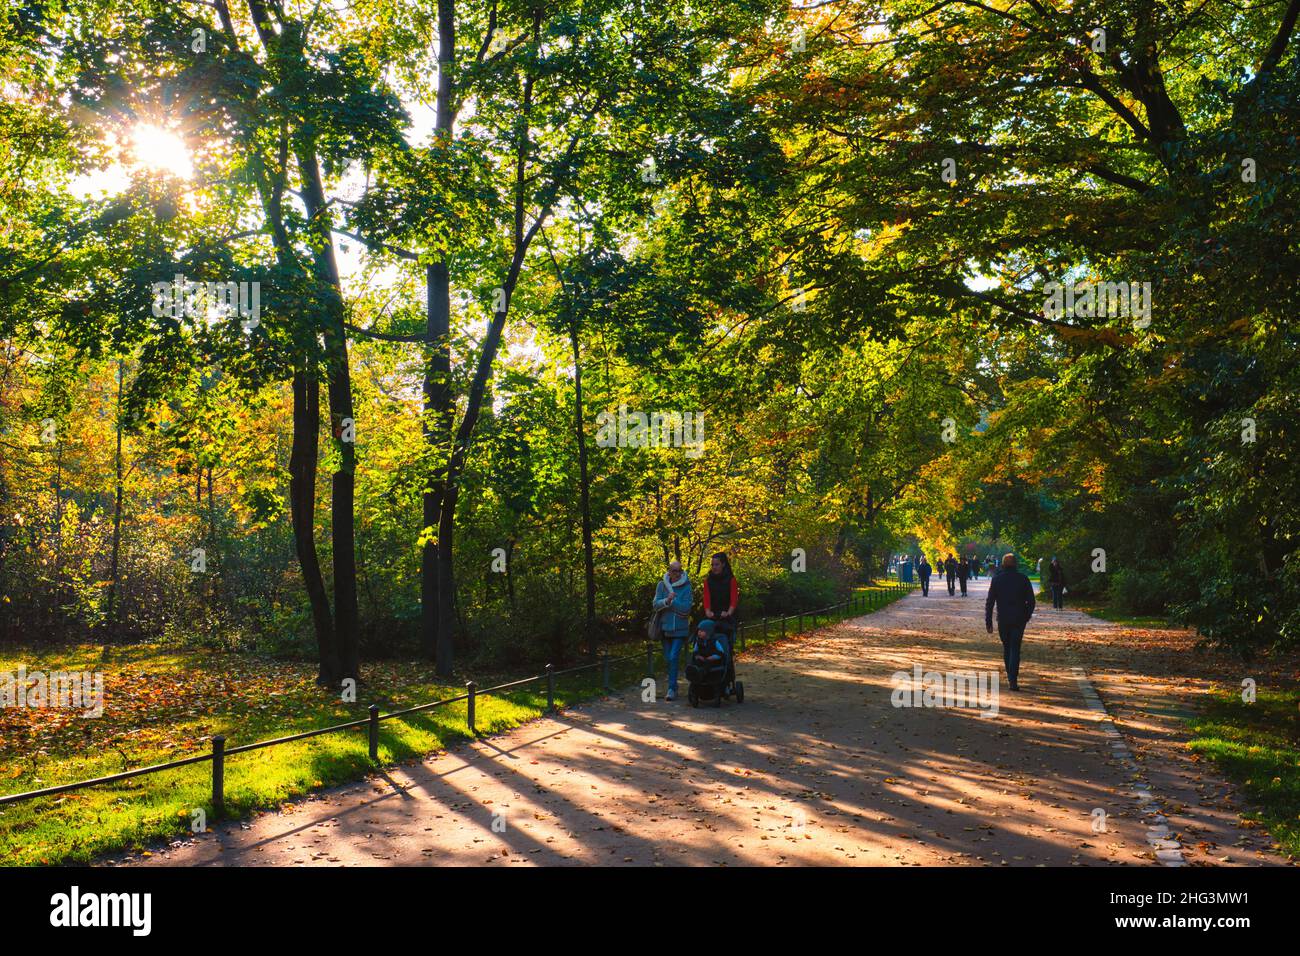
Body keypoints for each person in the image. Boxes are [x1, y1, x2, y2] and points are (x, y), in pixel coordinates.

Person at [985, 553, 1036, 691]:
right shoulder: (1023, 579)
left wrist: (988, 622)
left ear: (1002, 565)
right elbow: (1031, 601)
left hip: (1003, 619)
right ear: (1016, 564)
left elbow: (990, 602)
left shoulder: (997, 580)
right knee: (1015, 648)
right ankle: (1013, 678)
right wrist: (1026, 615)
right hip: (1019, 619)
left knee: (1007, 647)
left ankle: (1010, 676)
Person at [652, 560, 692, 700]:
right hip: (665, 628)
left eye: (679, 570)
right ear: (669, 571)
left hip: (680, 630)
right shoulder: (661, 585)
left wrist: (672, 602)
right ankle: (673, 686)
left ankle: (671, 689)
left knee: (674, 657)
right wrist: (666, 601)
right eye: (673, 570)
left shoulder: (686, 586)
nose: (676, 573)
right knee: (669, 659)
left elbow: (686, 608)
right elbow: (656, 605)